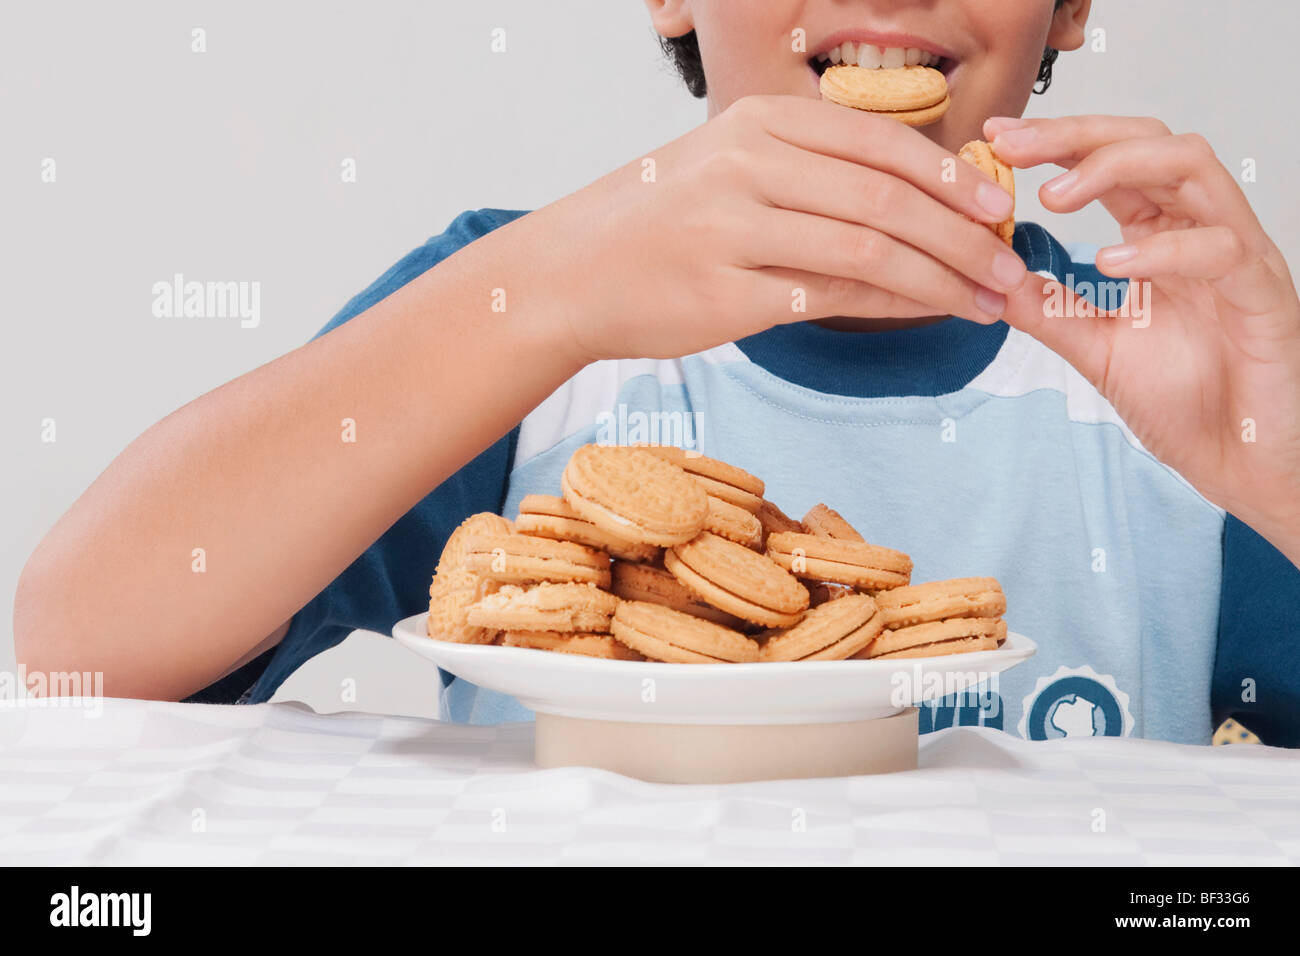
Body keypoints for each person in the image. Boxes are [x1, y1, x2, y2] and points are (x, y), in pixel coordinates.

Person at [15, 0, 1300, 745]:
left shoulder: (1169, 379)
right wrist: (551, 288)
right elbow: (78, 645)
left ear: (1068, 6)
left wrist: (1283, 462)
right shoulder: (522, 320)